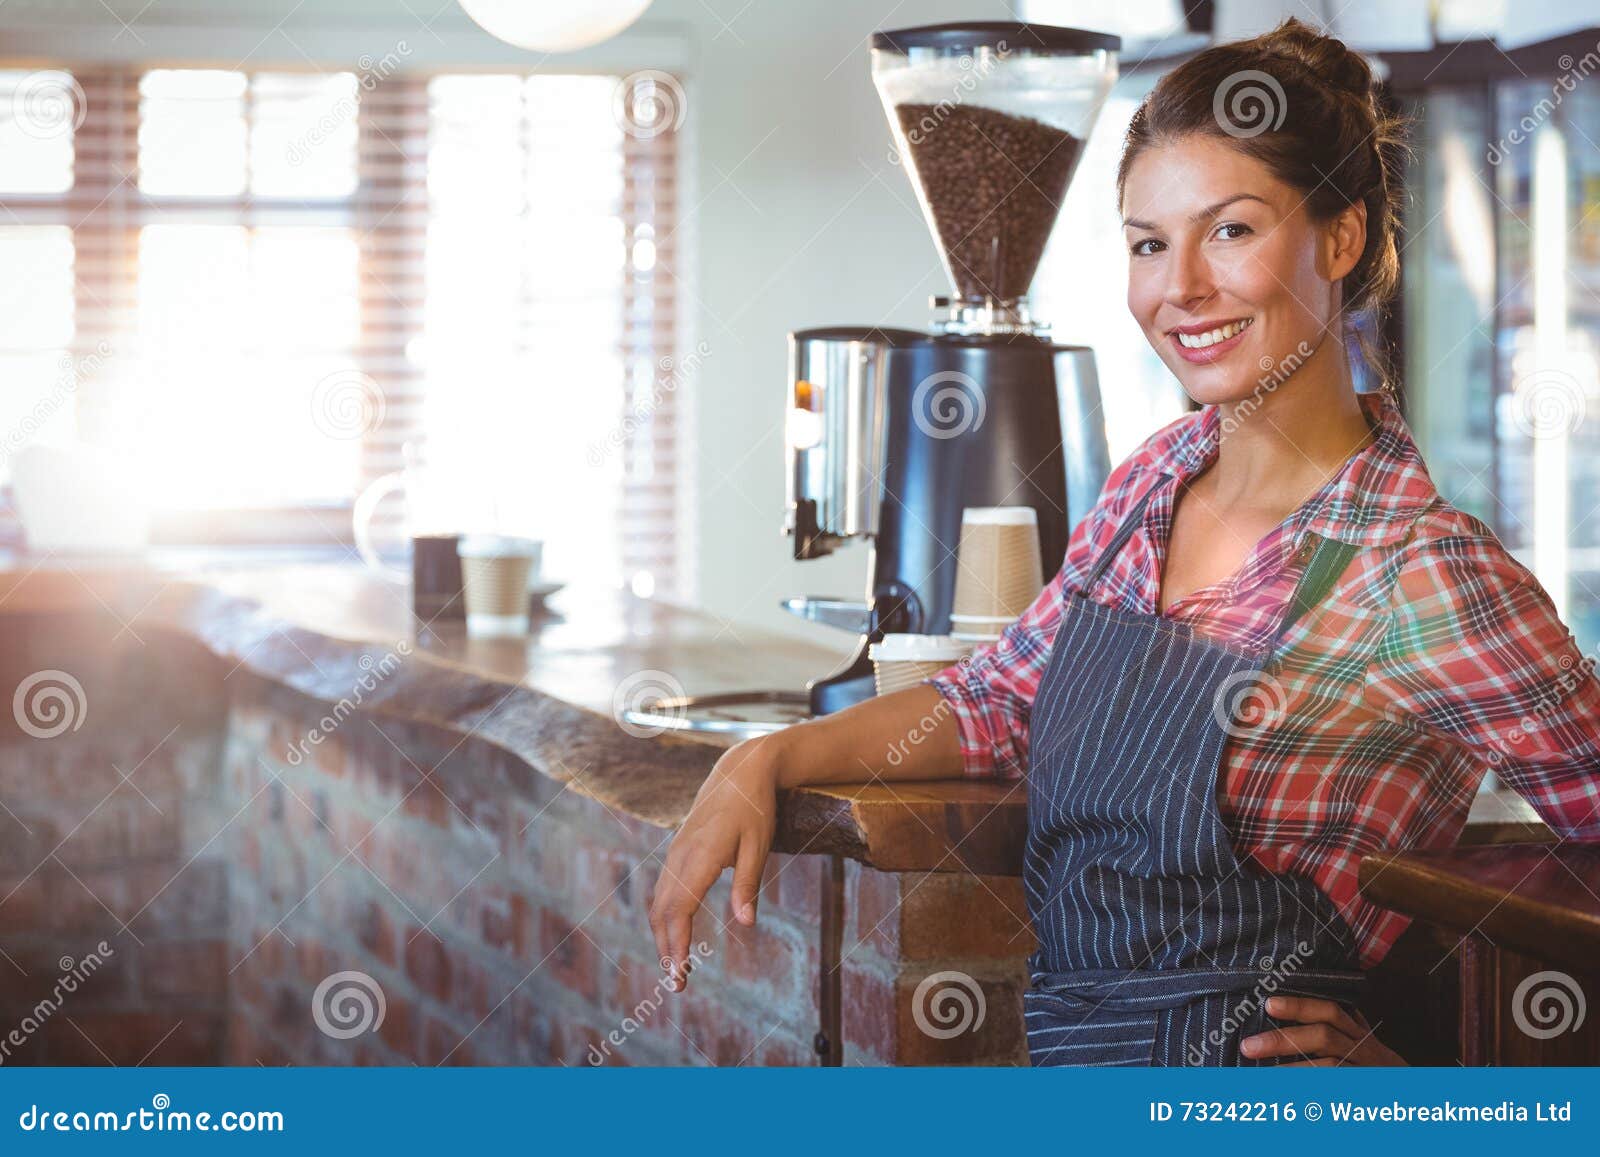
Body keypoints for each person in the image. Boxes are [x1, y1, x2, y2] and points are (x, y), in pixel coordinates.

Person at [648, 17, 1600, 1066]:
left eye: (1229, 230)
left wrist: (1429, 1094)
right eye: (1148, 243)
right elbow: (997, 702)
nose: (1179, 286)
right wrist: (765, 756)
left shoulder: (1417, 564)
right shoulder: (1149, 485)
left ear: (1342, 238)